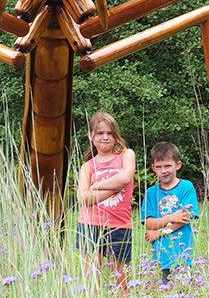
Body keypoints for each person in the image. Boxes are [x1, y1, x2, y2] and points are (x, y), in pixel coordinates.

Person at [77, 112, 137, 285]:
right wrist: (113, 188)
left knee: (121, 281)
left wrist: (96, 186)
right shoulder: (87, 167)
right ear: (90, 136)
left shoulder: (126, 155)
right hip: (90, 225)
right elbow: (83, 198)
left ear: (116, 135)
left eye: (110, 133)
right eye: (100, 133)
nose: (105, 137)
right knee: (91, 281)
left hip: (120, 225)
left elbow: (126, 178)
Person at [140, 141, 198, 283]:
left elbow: (185, 218)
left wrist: (160, 232)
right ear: (153, 168)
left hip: (181, 254)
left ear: (177, 165)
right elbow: (149, 224)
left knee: (182, 290)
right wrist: (173, 216)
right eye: (159, 167)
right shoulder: (151, 193)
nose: (163, 171)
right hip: (160, 257)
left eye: (168, 166)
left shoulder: (186, 187)